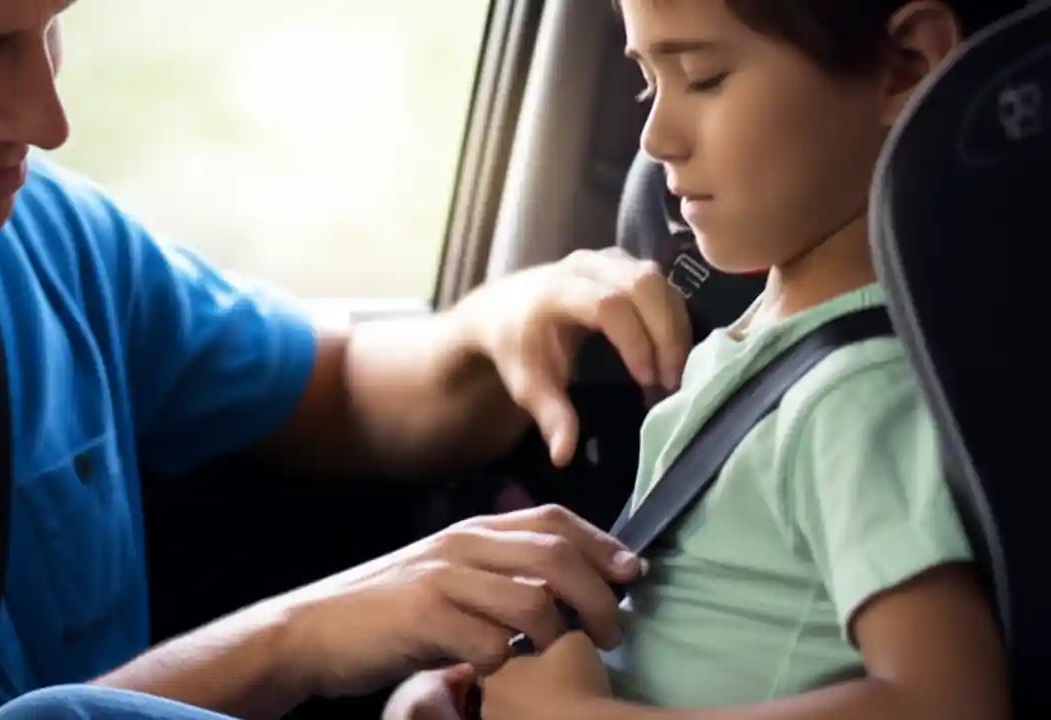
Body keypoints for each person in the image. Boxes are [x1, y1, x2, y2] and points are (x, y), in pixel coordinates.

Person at [0, 0, 705, 718]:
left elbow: (336, 392)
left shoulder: (42, 233)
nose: (48, 117)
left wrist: (494, 325)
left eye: (50, 28)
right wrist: (294, 642)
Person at [389, 0, 1019, 718]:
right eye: (646, 83)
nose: (655, 137)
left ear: (905, 68)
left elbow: (948, 702)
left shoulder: (856, 392)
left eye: (703, 76)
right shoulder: (746, 344)